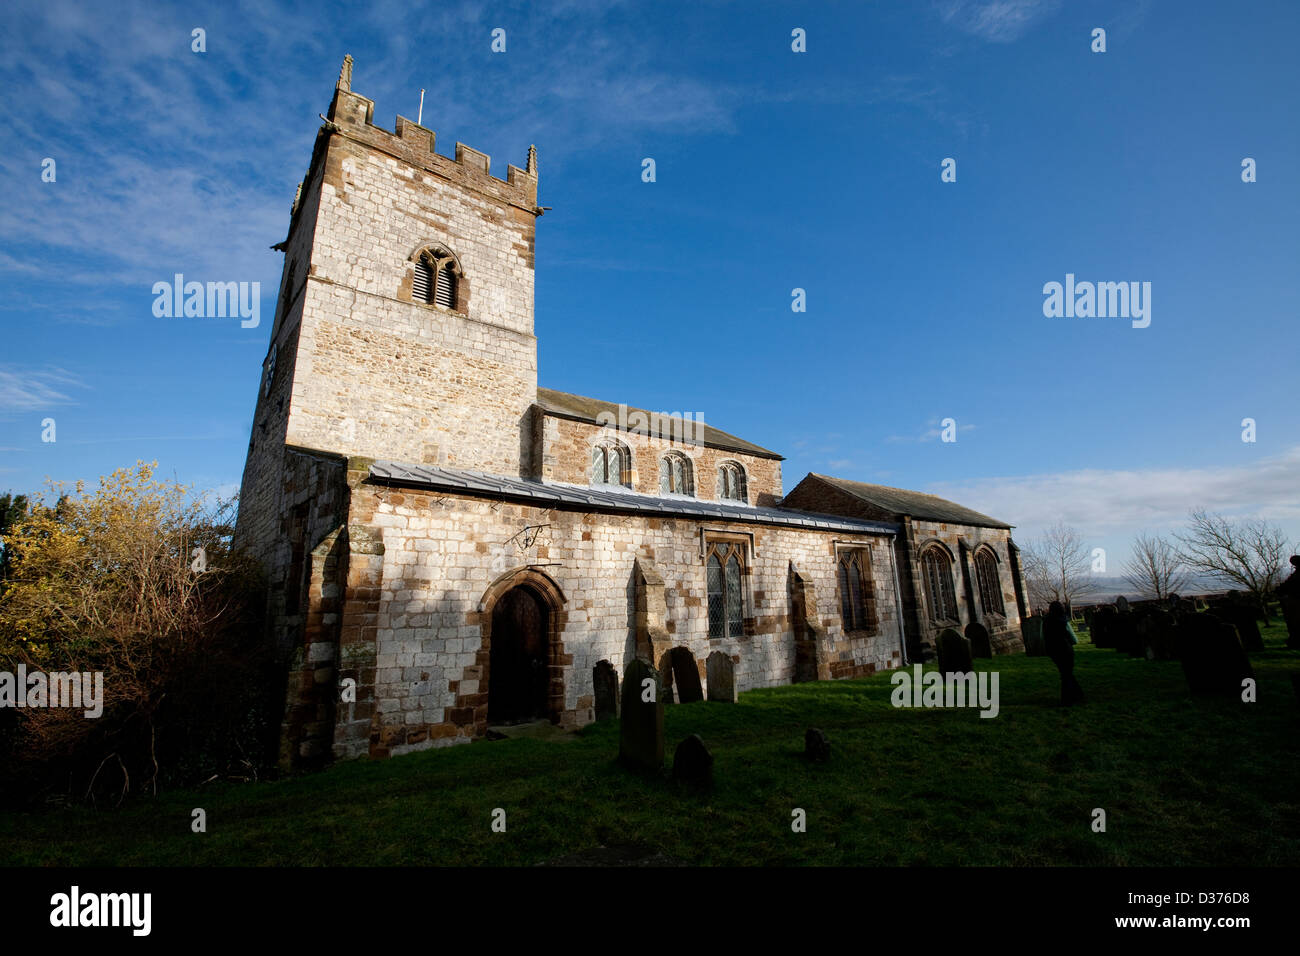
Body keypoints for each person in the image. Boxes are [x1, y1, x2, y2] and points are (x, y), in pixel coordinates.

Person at [1045, 600, 1084, 705]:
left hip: (1053, 651)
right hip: (1065, 650)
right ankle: (1068, 699)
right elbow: (1074, 639)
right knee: (1067, 674)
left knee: (1065, 673)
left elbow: (1042, 636)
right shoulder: (1063, 620)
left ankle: (1078, 695)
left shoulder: (1046, 620)